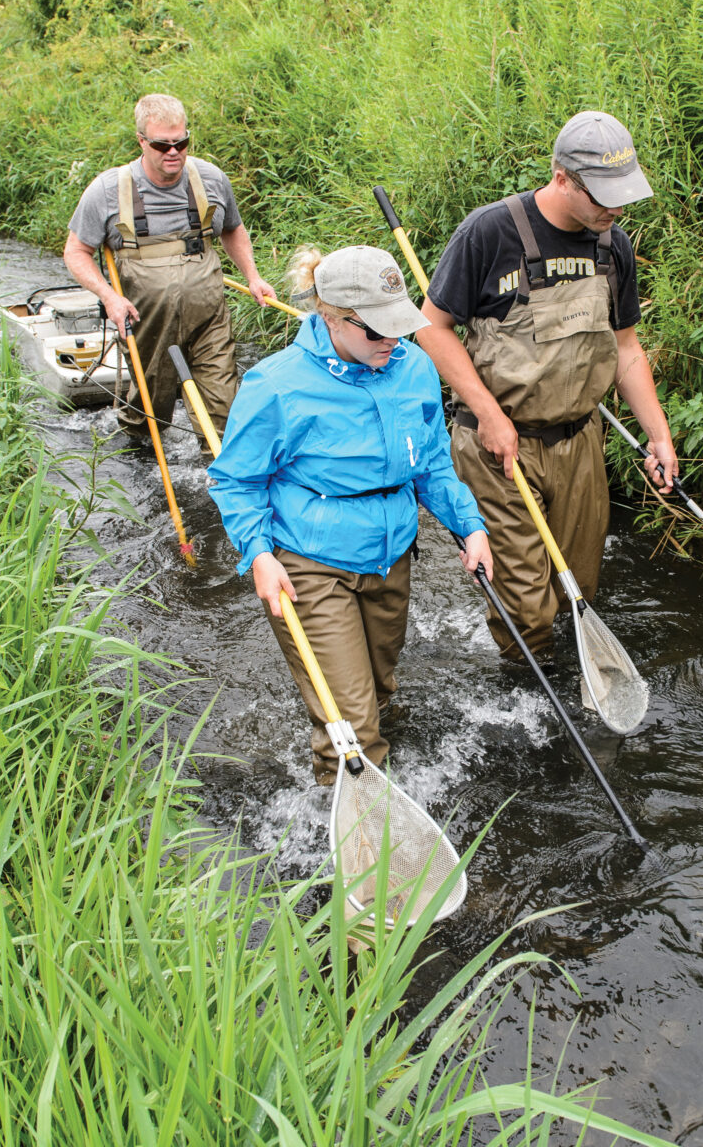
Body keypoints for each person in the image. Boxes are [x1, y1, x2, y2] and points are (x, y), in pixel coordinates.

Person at [207, 244, 492, 783]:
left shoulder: (413, 371)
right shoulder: (276, 385)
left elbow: (430, 464)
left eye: (399, 327)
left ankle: (356, 764)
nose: (393, 341)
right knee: (353, 730)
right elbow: (235, 480)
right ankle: (354, 830)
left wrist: (469, 526)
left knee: (380, 691)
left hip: (390, 556)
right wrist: (260, 555)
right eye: (376, 331)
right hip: (309, 563)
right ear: (333, 318)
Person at [417, 110, 678, 661]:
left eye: (623, 194)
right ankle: (525, 703)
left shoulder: (614, 245)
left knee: (575, 590)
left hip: (580, 443)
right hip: (499, 447)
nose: (616, 208)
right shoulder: (489, 232)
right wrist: (488, 414)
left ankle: (551, 679)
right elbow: (432, 329)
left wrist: (657, 433)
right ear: (562, 177)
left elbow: (626, 347)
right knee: (528, 614)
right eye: (603, 195)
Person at [62, 93, 278, 447]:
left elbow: (233, 229)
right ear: (142, 142)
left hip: (208, 317)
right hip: (146, 323)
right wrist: (109, 298)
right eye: (163, 145)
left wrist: (253, 277)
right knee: (150, 411)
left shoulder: (210, 179)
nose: (174, 152)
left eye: (182, 143)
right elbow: (76, 251)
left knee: (224, 412)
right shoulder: (107, 191)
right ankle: (137, 453)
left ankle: (220, 480)